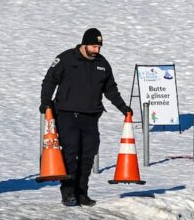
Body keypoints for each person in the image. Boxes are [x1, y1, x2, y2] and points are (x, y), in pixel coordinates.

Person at [40, 27, 132, 207]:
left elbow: (110, 89)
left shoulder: (102, 64)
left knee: (88, 155)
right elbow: (49, 80)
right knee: (70, 154)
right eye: (94, 47)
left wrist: (123, 108)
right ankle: (68, 192)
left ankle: (82, 193)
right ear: (84, 44)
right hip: (67, 114)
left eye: (99, 47)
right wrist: (45, 102)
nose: (97, 50)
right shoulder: (66, 59)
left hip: (91, 117)